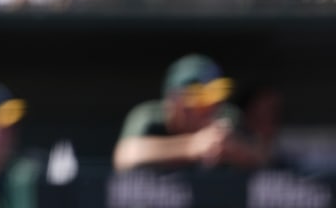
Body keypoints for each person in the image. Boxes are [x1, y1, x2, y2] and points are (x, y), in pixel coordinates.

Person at [113, 53, 265, 171]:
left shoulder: (227, 116)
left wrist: (234, 148)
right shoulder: (149, 117)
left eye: (213, 96)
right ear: (172, 101)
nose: (207, 107)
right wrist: (191, 146)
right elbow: (125, 156)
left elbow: (262, 156)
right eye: (196, 97)